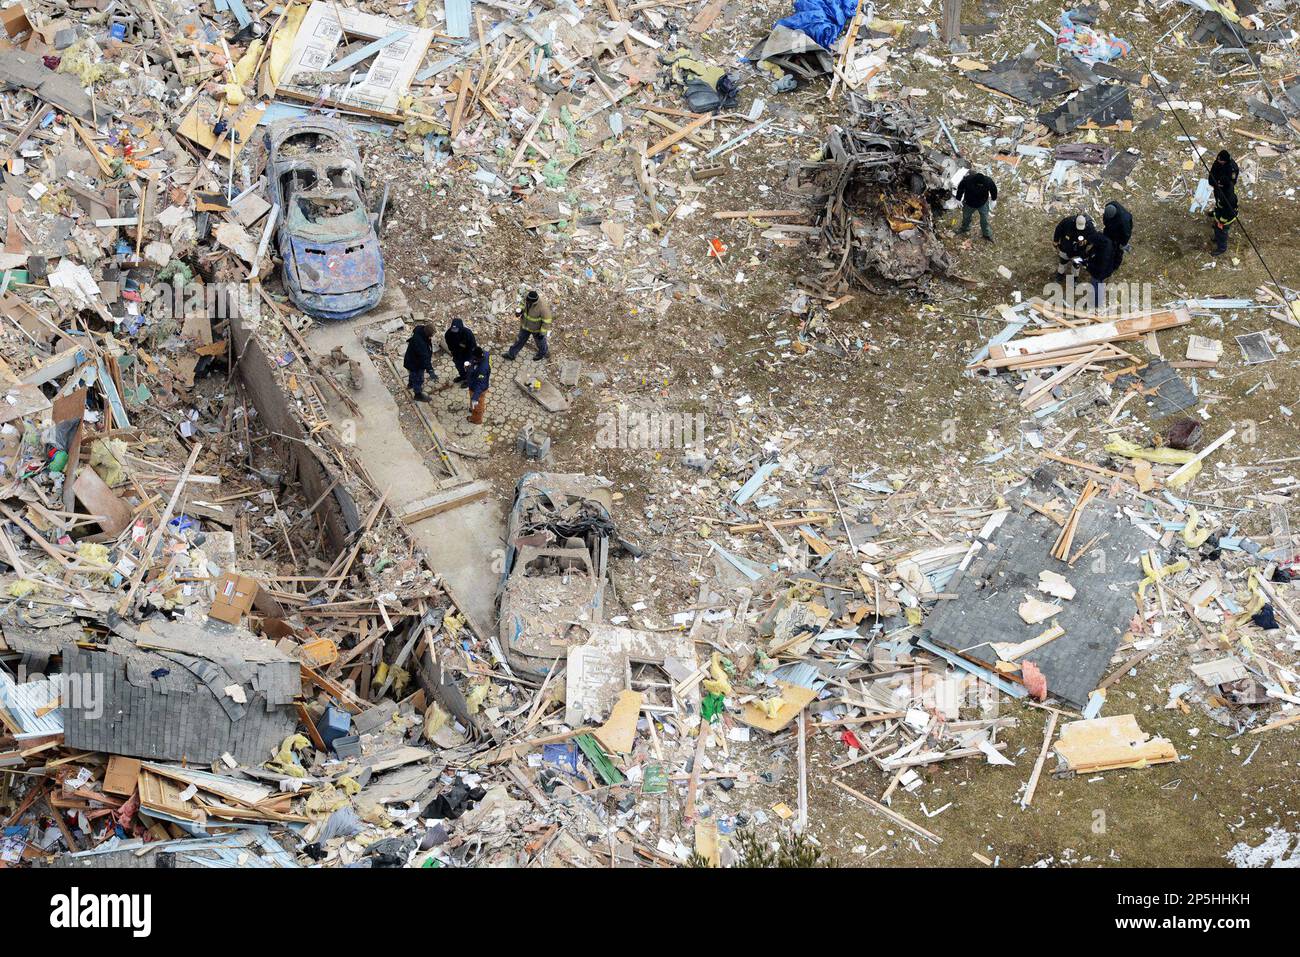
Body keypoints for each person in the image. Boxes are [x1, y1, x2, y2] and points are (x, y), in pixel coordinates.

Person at [504, 290, 551, 361]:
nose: (527, 302)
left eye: (529, 302)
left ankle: (543, 353)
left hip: (536, 330)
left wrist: (542, 333)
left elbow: (547, 321)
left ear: (533, 301)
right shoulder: (527, 298)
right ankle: (511, 354)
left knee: (540, 343)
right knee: (519, 340)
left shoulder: (543, 307)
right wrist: (520, 310)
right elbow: (522, 303)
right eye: (527, 300)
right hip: (525, 326)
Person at [1208, 150, 1239, 257]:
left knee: (1221, 231)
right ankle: (1217, 234)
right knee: (1217, 226)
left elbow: (1228, 212)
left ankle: (1222, 247)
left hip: (1226, 217)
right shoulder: (1223, 192)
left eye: (1219, 184)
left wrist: (1221, 221)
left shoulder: (1228, 198)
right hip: (1221, 210)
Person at [955, 170, 997, 241]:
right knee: (966, 217)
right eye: (979, 185)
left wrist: (993, 199)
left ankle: (987, 234)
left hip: (982, 203)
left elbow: (993, 189)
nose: (981, 186)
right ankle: (965, 228)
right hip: (969, 203)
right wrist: (958, 198)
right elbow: (960, 187)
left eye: (982, 185)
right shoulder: (967, 180)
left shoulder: (987, 181)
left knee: (984, 220)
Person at [1084, 233, 1121, 310]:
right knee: (1097, 285)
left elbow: (1099, 267)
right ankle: (1095, 301)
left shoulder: (1104, 254)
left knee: (1096, 285)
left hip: (1100, 273)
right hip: (1105, 269)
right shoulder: (1104, 243)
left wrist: (1087, 266)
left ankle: (1095, 304)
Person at [402, 323, 435, 402]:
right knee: (418, 379)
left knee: (412, 374)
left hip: (410, 360)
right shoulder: (421, 344)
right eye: (431, 336)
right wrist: (430, 370)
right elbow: (425, 358)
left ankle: (410, 384)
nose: (431, 337)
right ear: (427, 334)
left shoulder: (419, 330)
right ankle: (418, 395)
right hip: (415, 364)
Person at [444, 317, 478, 384]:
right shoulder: (448, 334)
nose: (454, 331)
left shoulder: (468, 333)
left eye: (456, 329)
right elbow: (449, 344)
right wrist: (453, 352)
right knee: (459, 367)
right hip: (457, 354)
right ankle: (463, 377)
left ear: (461, 327)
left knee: (469, 369)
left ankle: (468, 380)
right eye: (453, 329)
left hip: (468, 354)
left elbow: (473, 345)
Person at [463, 346, 491, 424]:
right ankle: (472, 408)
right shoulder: (484, 354)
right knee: (473, 400)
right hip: (472, 384)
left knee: (478, 406)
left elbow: (480, 384)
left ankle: (477, 419)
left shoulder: (482, 369)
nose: (472, 359)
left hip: (478, 390)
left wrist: (475, 397)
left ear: (478, 358)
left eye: (474, 358)